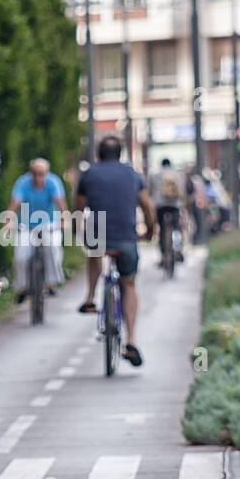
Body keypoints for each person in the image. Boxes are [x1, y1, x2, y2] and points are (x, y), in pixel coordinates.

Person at [75, 136, 157, 367]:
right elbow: (148, 207)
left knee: (94, 254)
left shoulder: (89, 174)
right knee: (128, 284)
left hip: (97, 231)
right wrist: (150, 231)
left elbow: (79, 208)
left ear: (99, 154)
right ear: (120, 153)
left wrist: (76, 230)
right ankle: (131, 341)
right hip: (126, 236)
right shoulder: (133, 175)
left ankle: (90, 297)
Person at [7, 157, 67, 303]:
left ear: (47, 173)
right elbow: (15, 202)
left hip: (49, 223)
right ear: (31, 173)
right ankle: (22, 287)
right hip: (27, 225)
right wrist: (8, 219)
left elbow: (60, 202)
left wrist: (64, 219)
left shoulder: (53, 182)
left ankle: (51, 283)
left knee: (53, 248)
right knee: (20, 256)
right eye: (35, 173)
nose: (38, 177)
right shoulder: (23, 183)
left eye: (42, 174)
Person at [148, 158, 185, 267]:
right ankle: (178, 249)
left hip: (160, 206)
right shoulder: (177, 175)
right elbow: (182, 191)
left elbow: (150, 191)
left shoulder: (155, 175)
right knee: (177, 227)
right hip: (175, 205)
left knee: (162, 230)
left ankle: (164, 256)